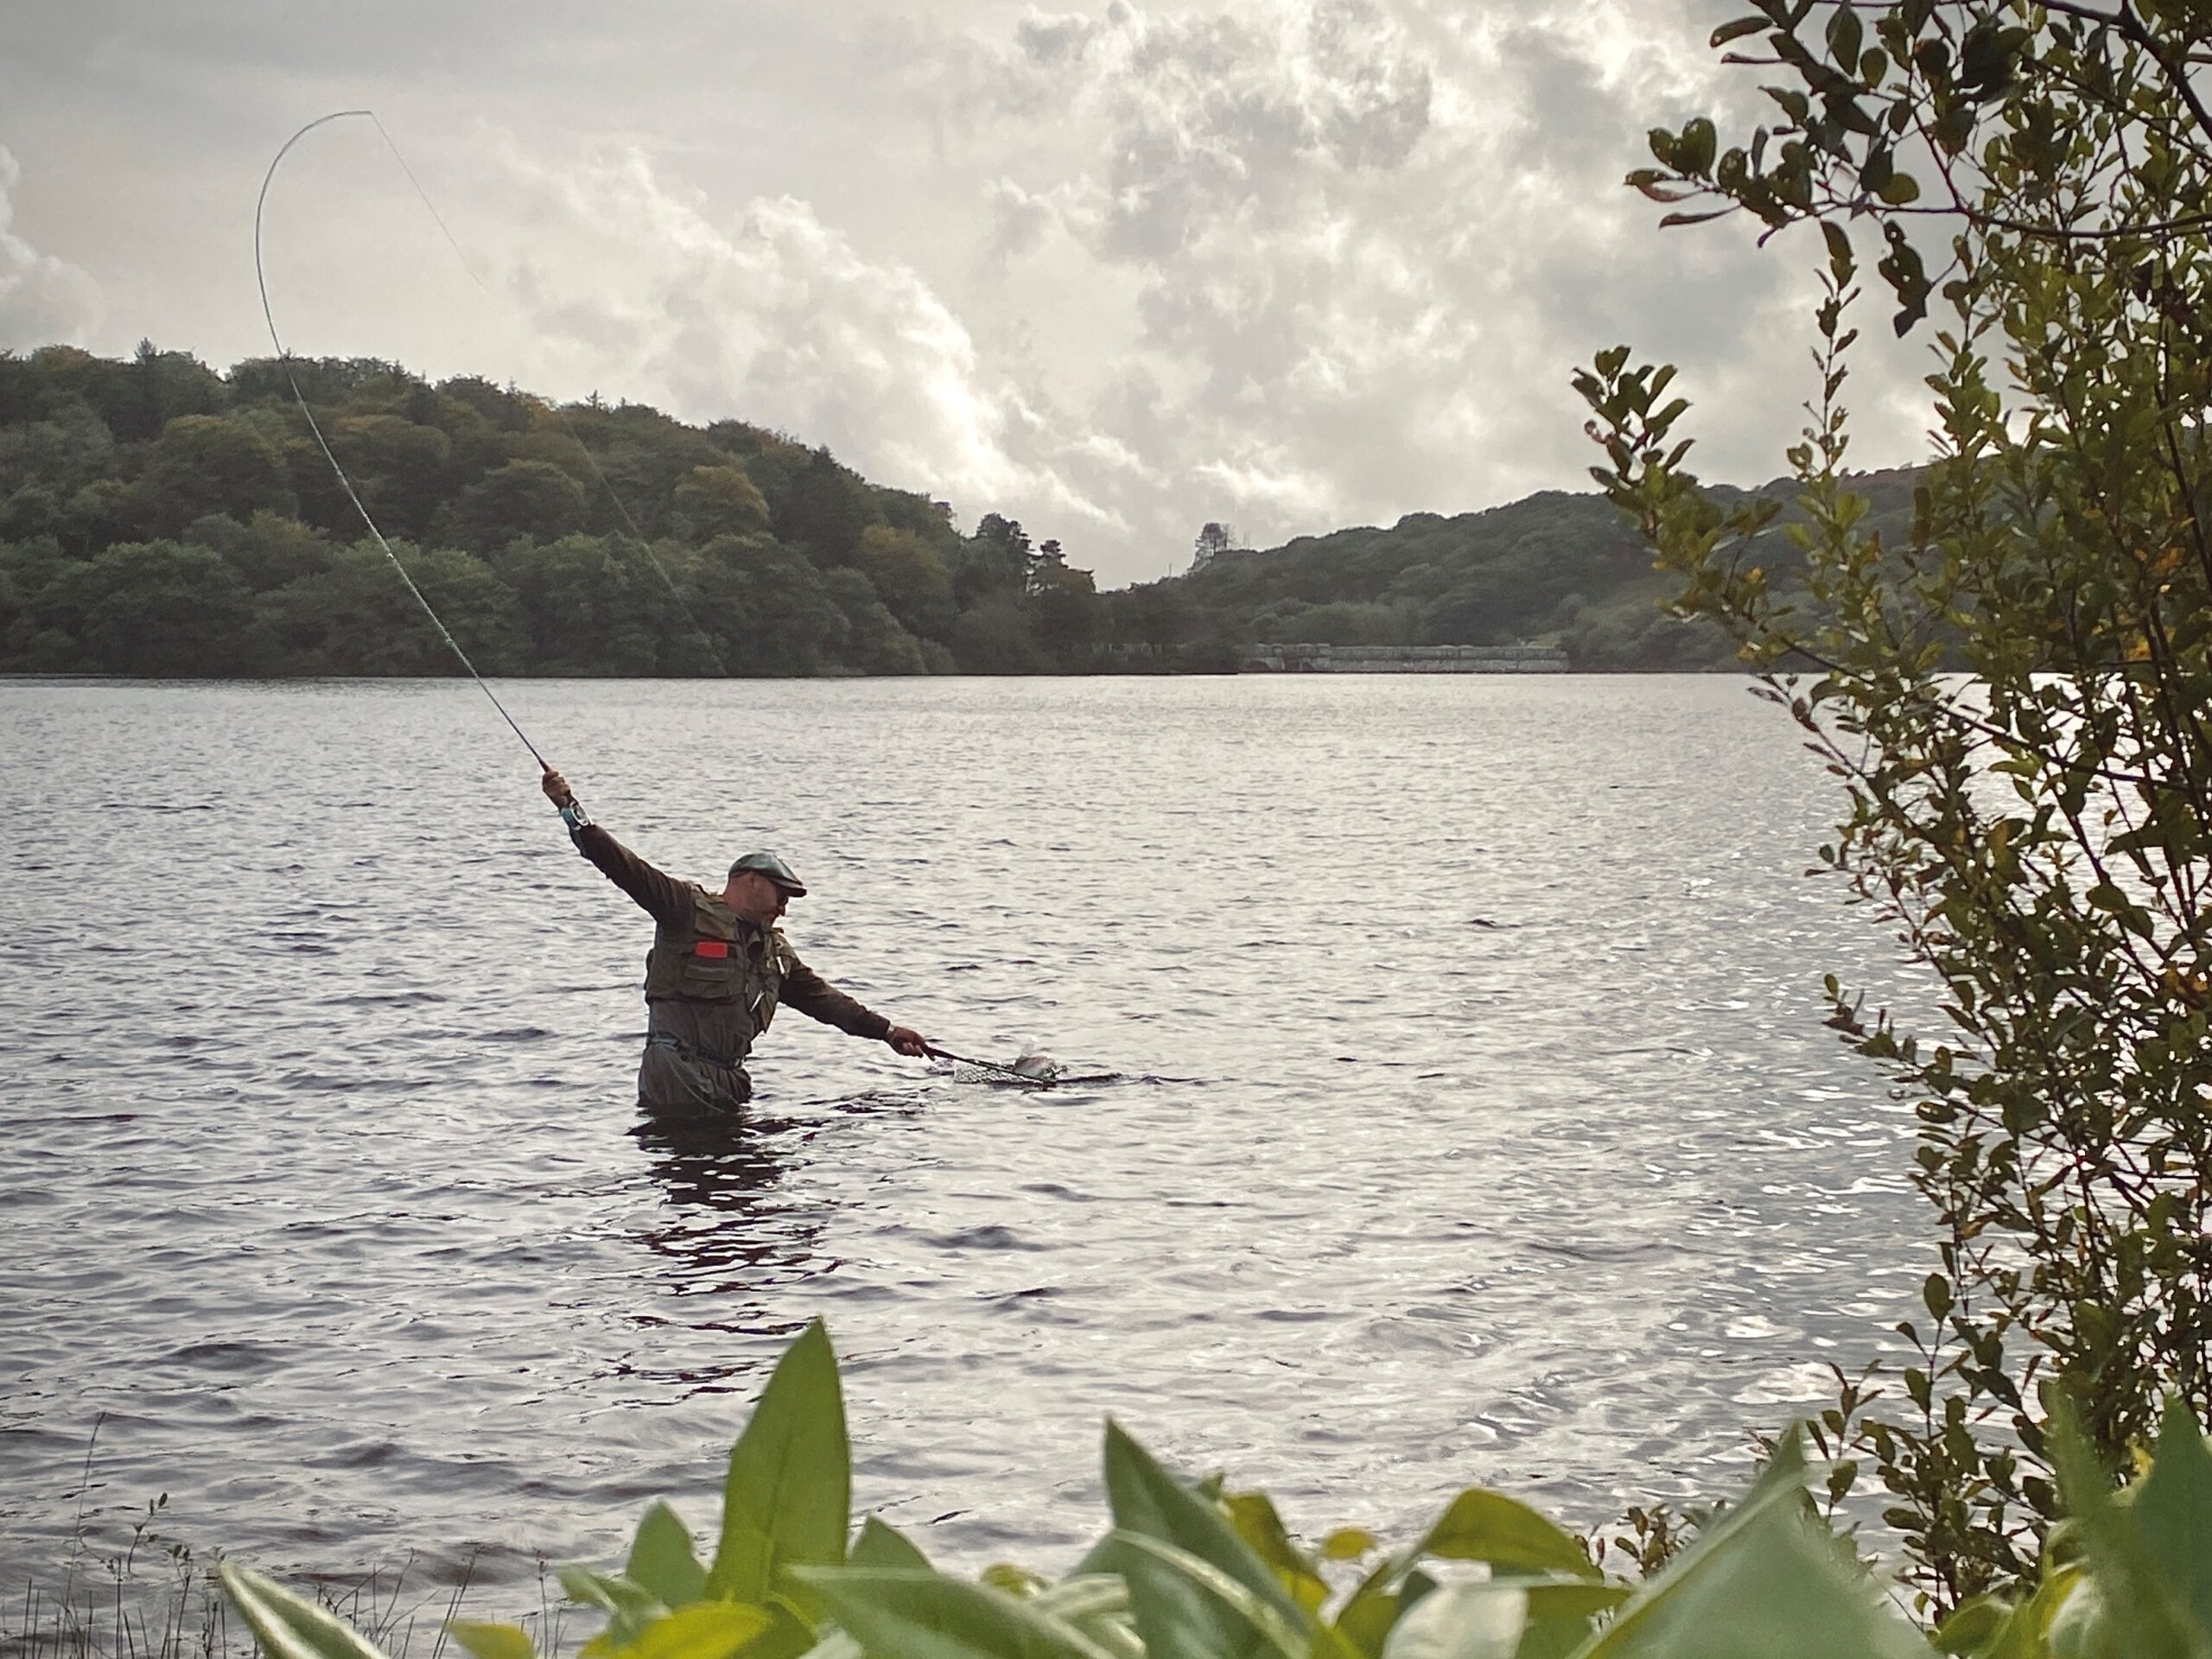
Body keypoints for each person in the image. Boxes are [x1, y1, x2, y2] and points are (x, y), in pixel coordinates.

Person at [542, 767, 931, 1115]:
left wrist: (888, 1032)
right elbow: (623, 865)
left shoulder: (776, 955)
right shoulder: (684, 909)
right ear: (752, 882)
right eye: (781, 897)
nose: (783, 909)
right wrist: (570, 809)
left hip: (731, 1080)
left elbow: (828, 1003)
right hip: (677, 1074)